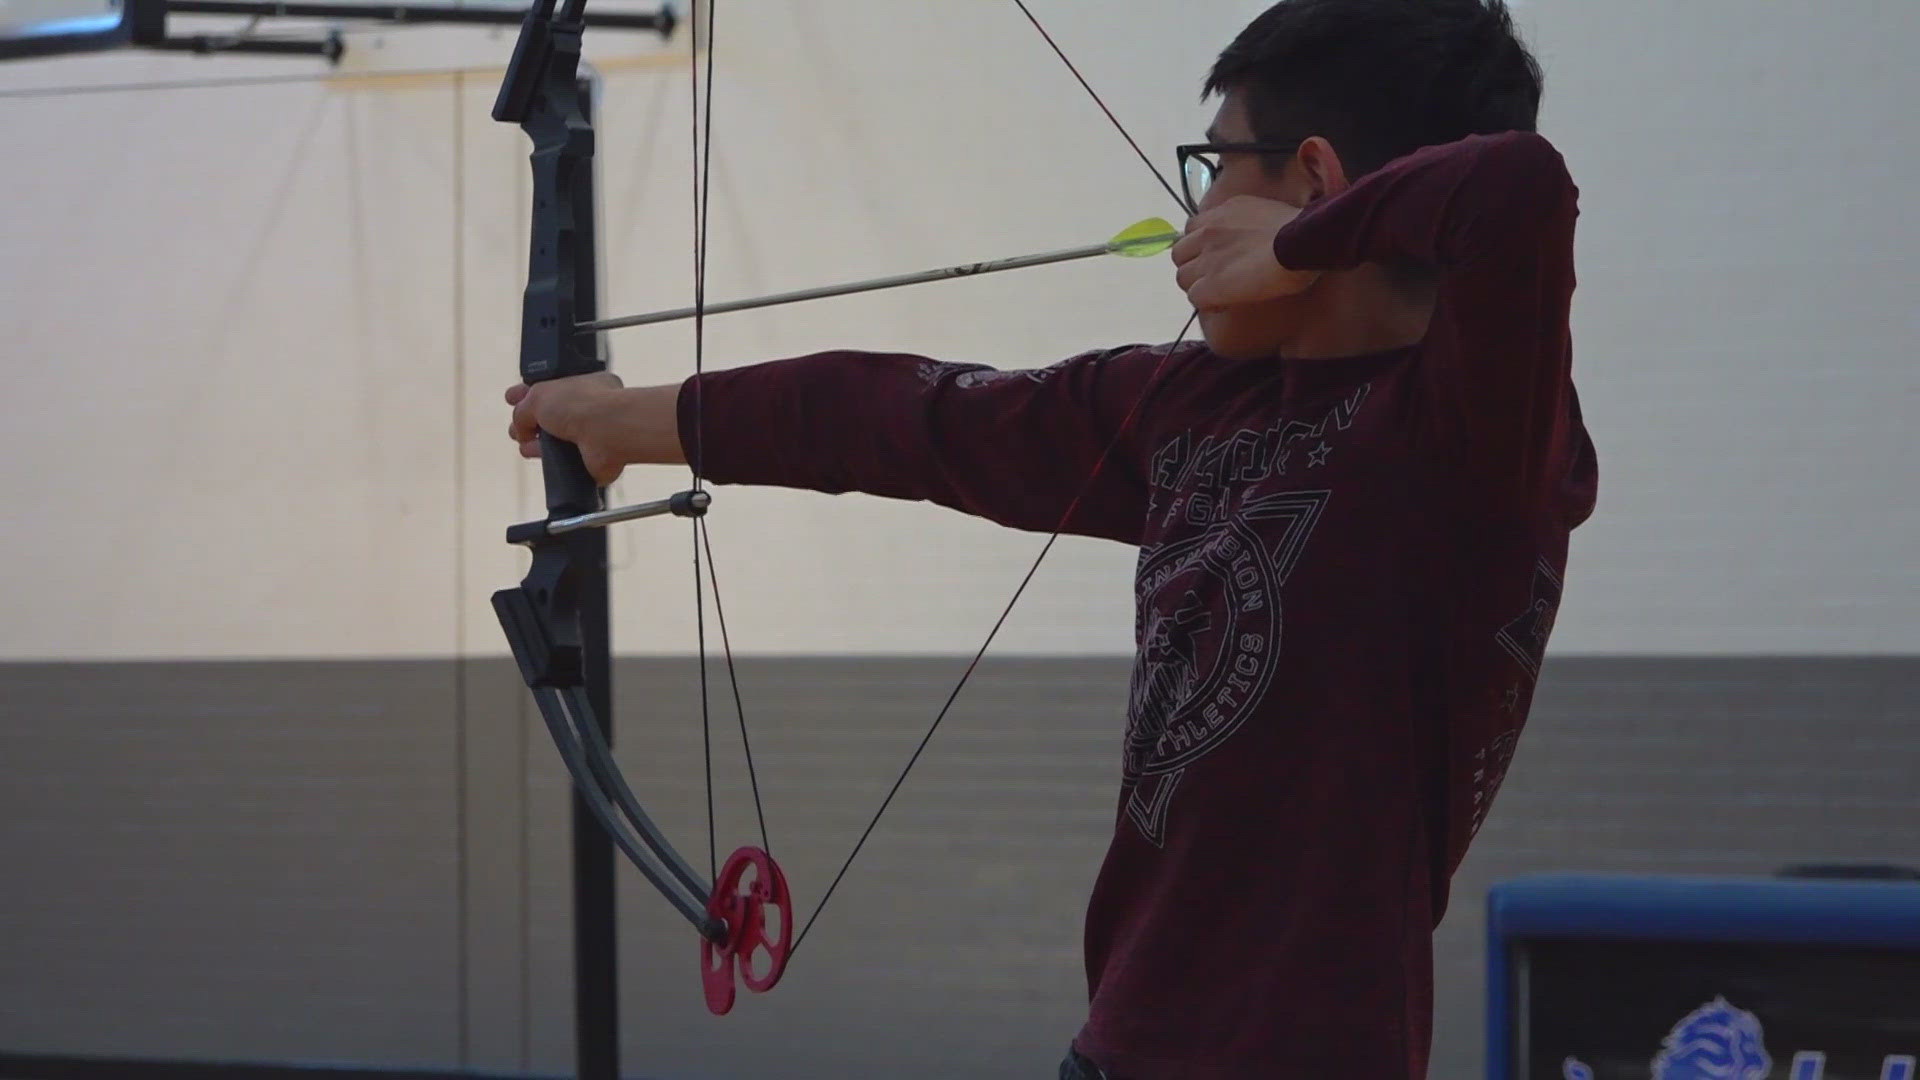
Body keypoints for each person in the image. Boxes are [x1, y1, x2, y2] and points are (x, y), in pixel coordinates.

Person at [506, 0, 1597, 1074]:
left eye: (1216, 167)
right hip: (1121, 1043)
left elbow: (1517, 188)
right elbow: (910, 420)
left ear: (1312, 181)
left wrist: (1296, 248)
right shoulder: (1190, 405)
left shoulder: (1475, 432)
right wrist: (623, 425)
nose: (1193, 212)